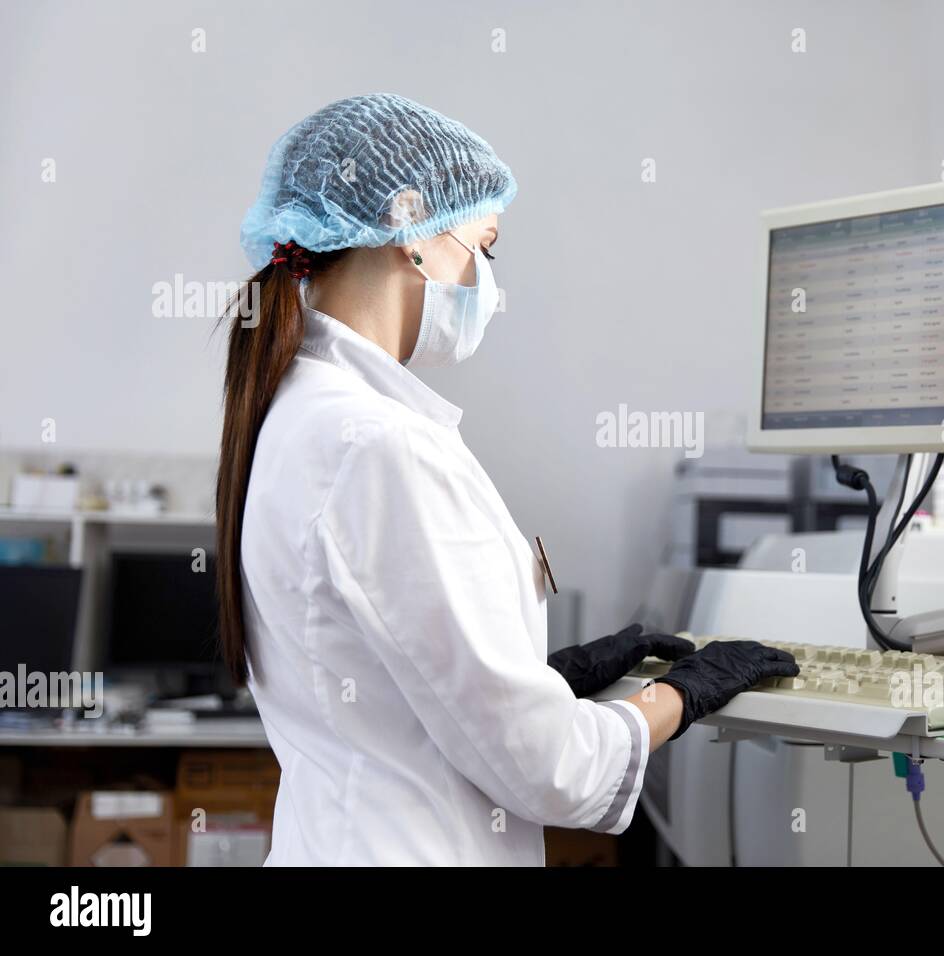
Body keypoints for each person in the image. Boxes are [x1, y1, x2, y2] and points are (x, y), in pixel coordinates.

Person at [216, 93, 797, 865]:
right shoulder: (378, 445)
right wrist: (680, 696)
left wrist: (554, 677)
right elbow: (549, 771)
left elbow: (384, 676)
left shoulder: (301, 412)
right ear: (412, 233)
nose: (487, 279)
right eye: (484, 247)